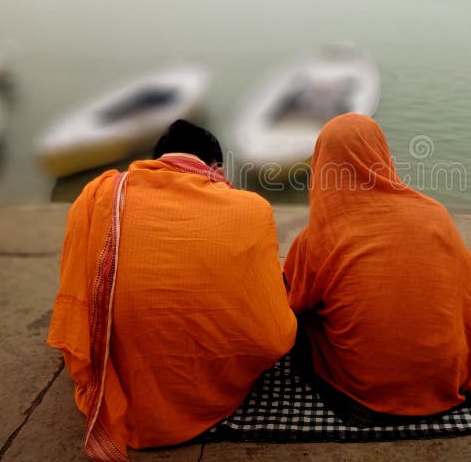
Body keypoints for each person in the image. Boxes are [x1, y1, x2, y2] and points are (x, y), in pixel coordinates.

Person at [48, 119, 296, 461]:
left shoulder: (99, 194)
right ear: (216, 167)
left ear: (157, 161)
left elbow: (78, 284)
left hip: (119, 380)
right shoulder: (251, 208)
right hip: (213, 387)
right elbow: (271, 335)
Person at [283, 113, 471, 420]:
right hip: (445, 382)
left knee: (301, 317)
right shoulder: (434, 215)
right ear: (381, 154)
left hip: (365, 395)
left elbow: (292, 301)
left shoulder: (318, 236)